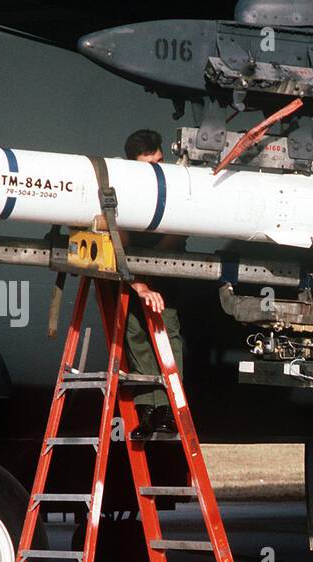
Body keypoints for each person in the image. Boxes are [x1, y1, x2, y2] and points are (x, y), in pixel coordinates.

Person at [121, 129, 186, 441]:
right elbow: (120, 243)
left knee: (166, 332)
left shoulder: (172, 185)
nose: (156, 170)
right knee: (135, 333)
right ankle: (148, 408)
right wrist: (139, 284)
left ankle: (171, 408)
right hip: (132, 271)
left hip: (165, 265)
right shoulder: (123, 189)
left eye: (159, 161)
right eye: (149, 163)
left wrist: (152, 270)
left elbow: (178, 232)